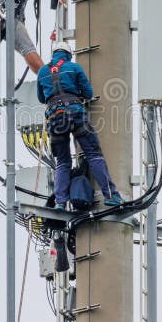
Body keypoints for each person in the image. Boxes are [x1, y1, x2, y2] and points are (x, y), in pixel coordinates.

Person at [36, 41, 125, 211]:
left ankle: (61, 202)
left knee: (62, 161)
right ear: (68, 54)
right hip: (76, 113)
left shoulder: (42, 71)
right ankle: (110, 195)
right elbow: (88, 93)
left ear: (53, 54)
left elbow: (42, 98)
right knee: (93, 154)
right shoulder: (74, 68)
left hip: (55, 117)